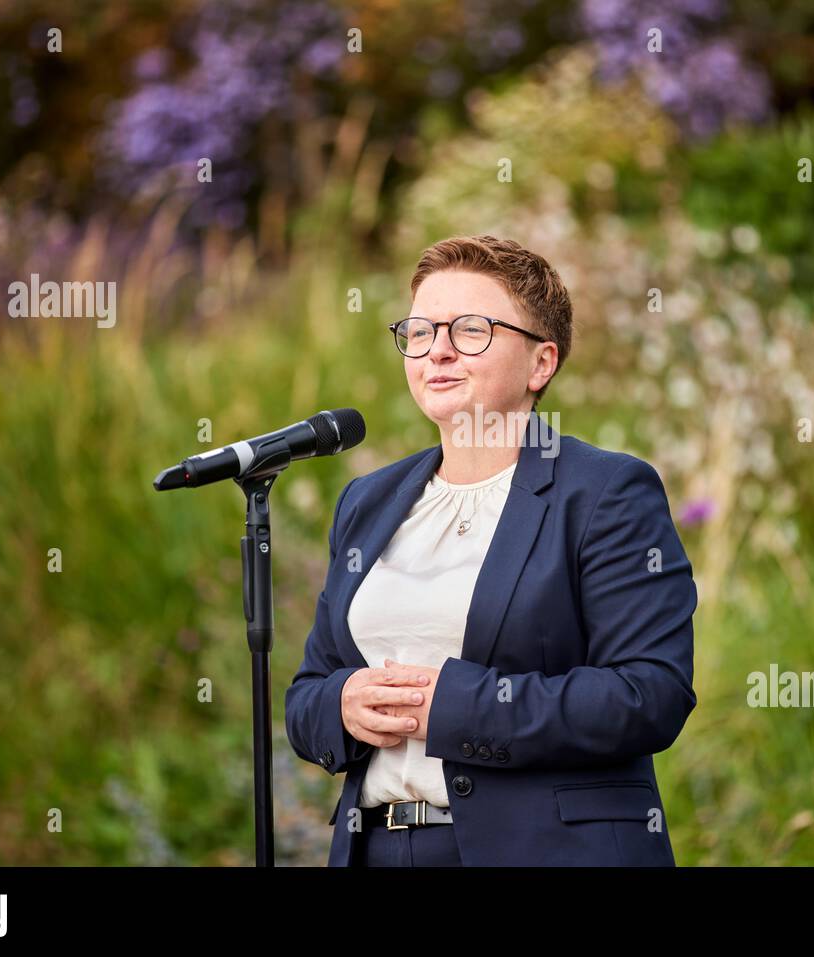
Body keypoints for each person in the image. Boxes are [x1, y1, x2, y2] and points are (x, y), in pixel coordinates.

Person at [284, 234, 697, 865]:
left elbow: (648, 694)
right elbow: (307, 691)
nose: (438, 350)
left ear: (541, 364)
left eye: (471, 330)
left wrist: (452, 707)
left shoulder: (605, 493)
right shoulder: (367, 502)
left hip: (543, 850)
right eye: (420, 331)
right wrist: (341, 706)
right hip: (377, 849)